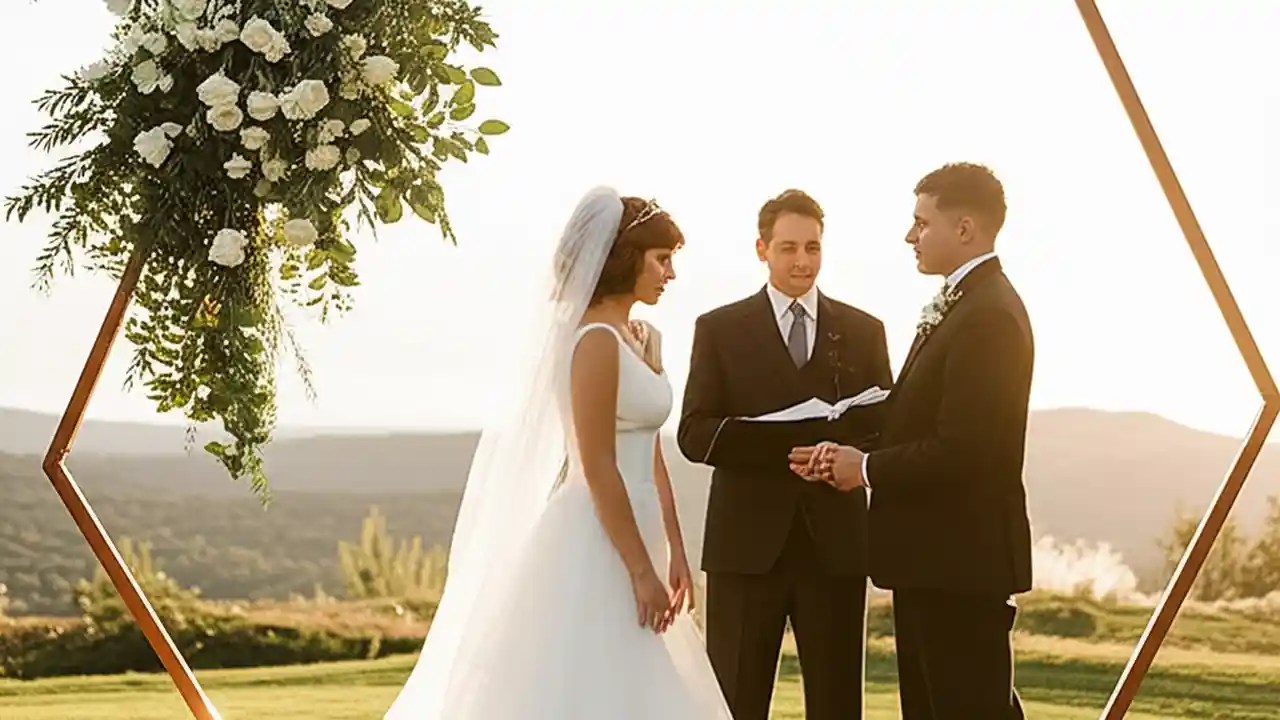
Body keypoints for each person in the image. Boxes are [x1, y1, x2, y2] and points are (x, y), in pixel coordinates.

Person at [384, 187, 732, 719]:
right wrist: (640, 569)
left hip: (643, 526)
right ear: (625, 258)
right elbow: (596, 464)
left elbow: (651, 453)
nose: (671, 273)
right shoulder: (594, 341)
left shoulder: (637, 338)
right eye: (662, 259)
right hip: (598, 532)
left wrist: (675, 552)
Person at [792, 162, 1033, 719]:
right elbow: (914, 416)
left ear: (965, 228)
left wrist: (864, 469)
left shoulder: (989, 317)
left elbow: (965, 451)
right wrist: (834, 444)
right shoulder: (968, 304)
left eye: (922, 223)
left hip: (959, 563)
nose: (910, 235)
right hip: (933, 561)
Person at [677, 189, 893, 720]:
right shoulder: (719, 329)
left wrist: (843, 453)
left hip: (837, 546)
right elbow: (693, 434)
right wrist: (788, 446)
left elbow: (886, 427)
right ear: (762, 249)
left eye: (813, 248)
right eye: (789, 248)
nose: (802, 261)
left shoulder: (864, 330)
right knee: (733, 704)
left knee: (838, 706)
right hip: (745, 549)